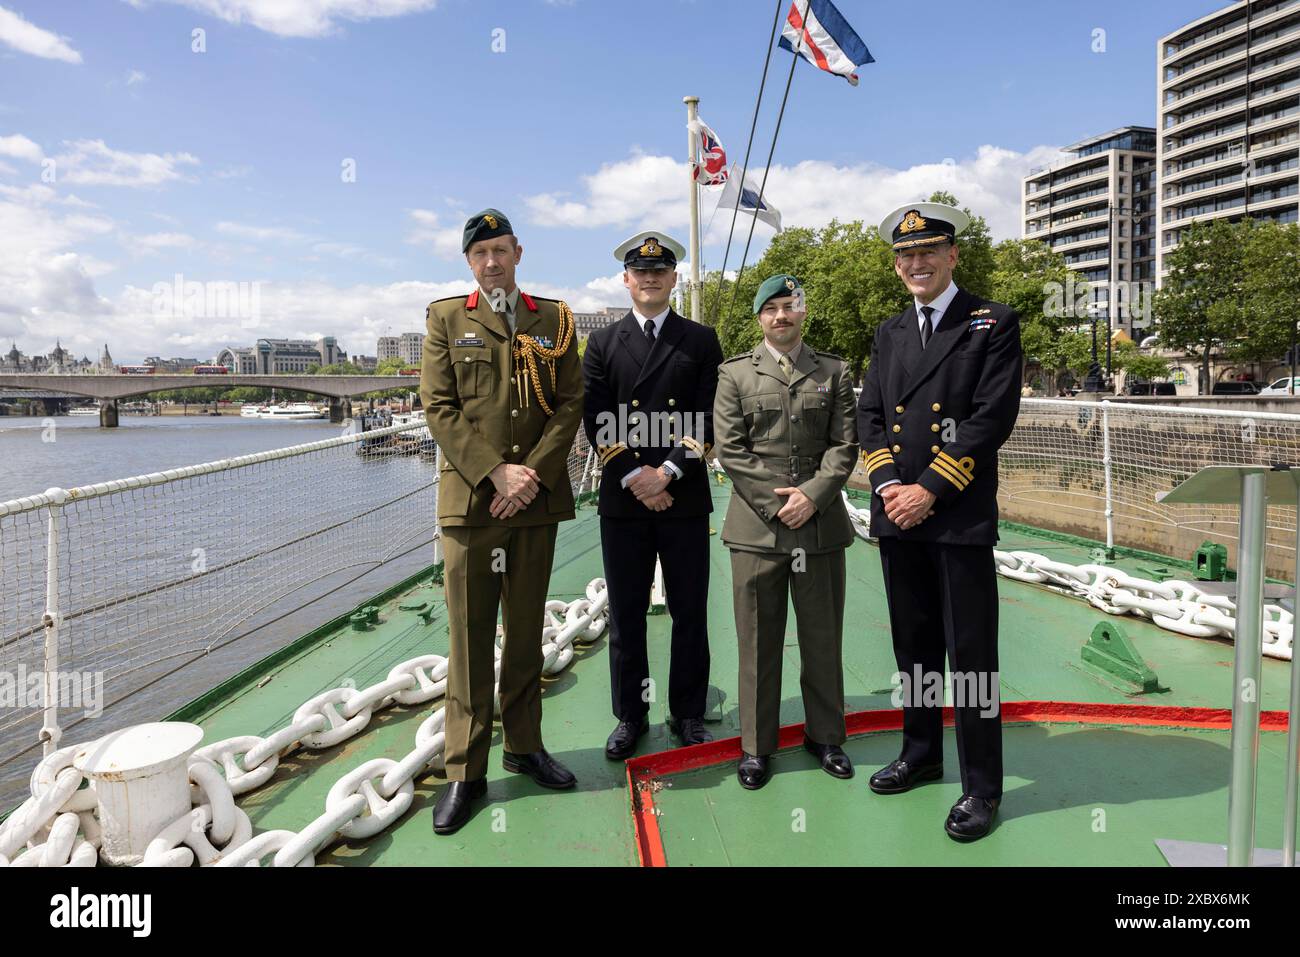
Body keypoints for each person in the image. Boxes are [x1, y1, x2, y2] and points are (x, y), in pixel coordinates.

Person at [857, 202, 1022, 841]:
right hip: (899, 516)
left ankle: (981, 788)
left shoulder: (992, 323)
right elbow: (871, 414)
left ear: (953, 256)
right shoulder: (890, 331)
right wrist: (890, 485)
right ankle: (921, 753)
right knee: (915, 646)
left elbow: (990, 418)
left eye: (927, 252)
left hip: (956, 517)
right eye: (905, 255)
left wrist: (928, 488)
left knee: (971, 656)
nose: (916, 263)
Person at [419, 208, 584, 835]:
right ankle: (465, 770)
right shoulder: (445, 318)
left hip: (533, 502)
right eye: (480, 252)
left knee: (523, 631)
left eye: (501, 250)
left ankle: (525, 745)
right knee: (467, 640)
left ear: (519, 252)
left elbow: (570, 403)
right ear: (469, 261)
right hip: (472, 505)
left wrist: (531, 475)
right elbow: (438, 406)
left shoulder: (556, 319)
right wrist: (496, 474)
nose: (492, 261)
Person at [713, 275, 858, 789]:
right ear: (759, 318)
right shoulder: (733, 375)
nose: (781, 316)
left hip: (819, 526)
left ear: (803, 313)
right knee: (757, 639)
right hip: (757, 529)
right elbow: (731, 448)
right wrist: (780, 504)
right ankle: (757, 746)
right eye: (771, 308)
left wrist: (811, 496)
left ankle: (825, 736)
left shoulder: (834, 372)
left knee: (822, 636)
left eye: (790, 307)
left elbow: (844, 446)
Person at [582, 231, 723, 759]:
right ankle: (631, 714)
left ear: (673, 279)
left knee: (689, 610)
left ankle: (687, 712)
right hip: (624, 501)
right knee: (627, 613)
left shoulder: (700, 339)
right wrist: (635, 477)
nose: (649, 278)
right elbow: (597, 415)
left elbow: (709, 413)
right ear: (627, 280)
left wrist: (665, 472)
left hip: (682, 496)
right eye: (640, 272)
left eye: (660, 271)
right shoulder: (601, 343)